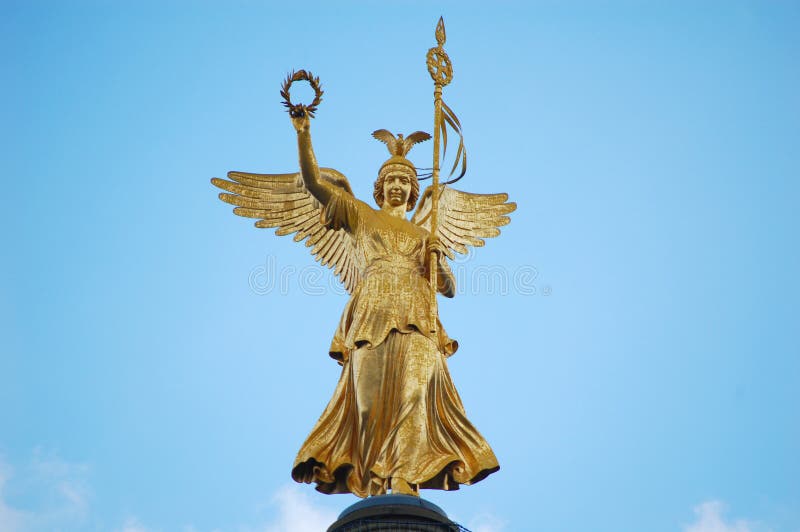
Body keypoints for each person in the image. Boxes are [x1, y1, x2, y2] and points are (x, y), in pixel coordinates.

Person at [288, 110, 499, 497]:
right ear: (379, 187)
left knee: (414, 397)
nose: (398, 186)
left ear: (412, 189)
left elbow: (448, 288)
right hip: (372, 312)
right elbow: (314, 183)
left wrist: (437, 255)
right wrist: (304, 133)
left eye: (404, 180)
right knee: (367, 407)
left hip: (419, 317)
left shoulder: (424, 232)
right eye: (391, 180)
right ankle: (374, 483)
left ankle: (403, 478)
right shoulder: (361, 215)